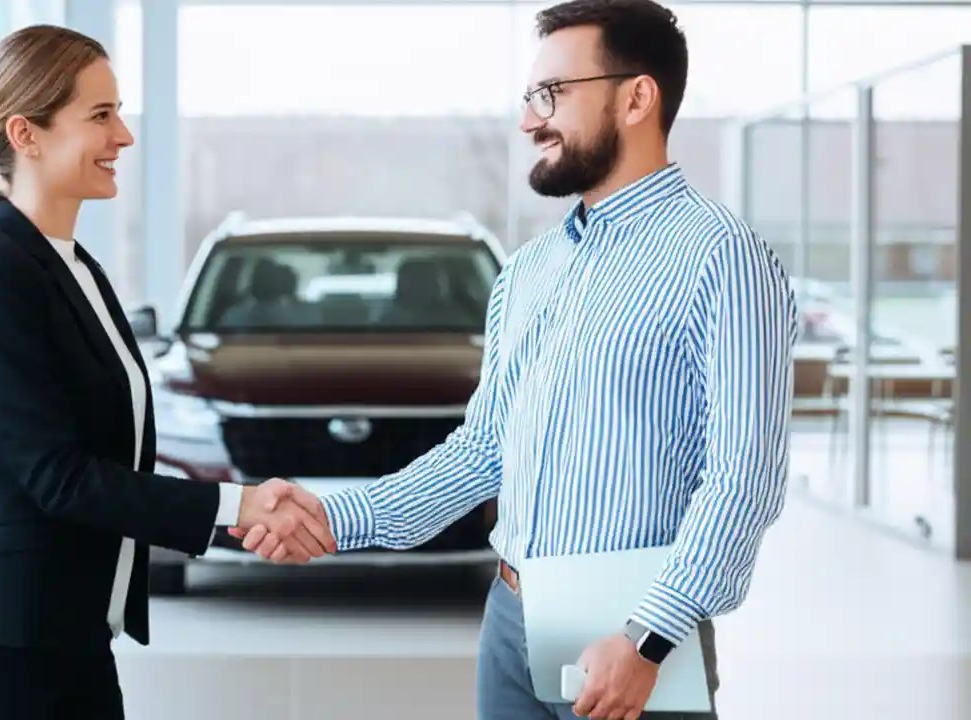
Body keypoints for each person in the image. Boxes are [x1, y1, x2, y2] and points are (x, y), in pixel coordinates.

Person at [235, 1, 798, 719]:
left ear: (637, 97)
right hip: (509, 612)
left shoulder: (723, 257)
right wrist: (336, 515)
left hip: (630, 632)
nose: (531, 121)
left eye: (553, 94)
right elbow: (480, 452)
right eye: (532, 97)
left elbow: (744, 477)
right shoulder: (529, 270)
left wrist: (648, 636)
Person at [0, 25, 335, 719]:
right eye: (100, 116)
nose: (123, 136)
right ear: (26, 134)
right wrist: (236, 505)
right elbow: (56, 476)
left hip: (63, 630)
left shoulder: (73, 268)